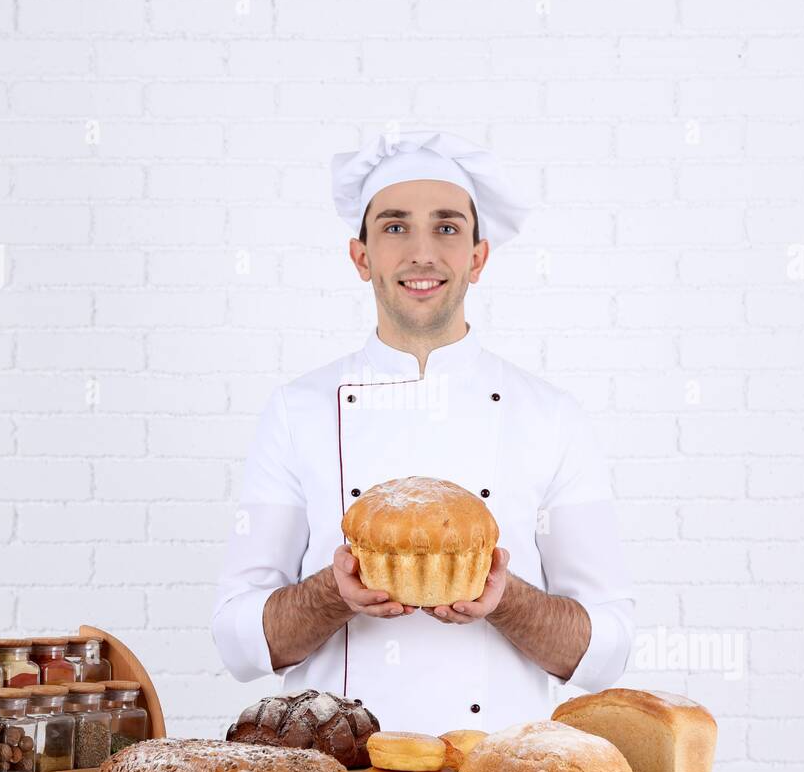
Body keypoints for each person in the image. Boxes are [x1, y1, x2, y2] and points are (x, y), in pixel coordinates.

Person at [212, 129, 635, 732]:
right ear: (360, 258)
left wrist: (505, 597)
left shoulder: (551, 416)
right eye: (393, 226)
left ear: (477, 257)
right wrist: (334, 593)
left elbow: (608, 649)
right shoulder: (296, 409)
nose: (422, 253)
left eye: (446, 227)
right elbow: (236, 641)